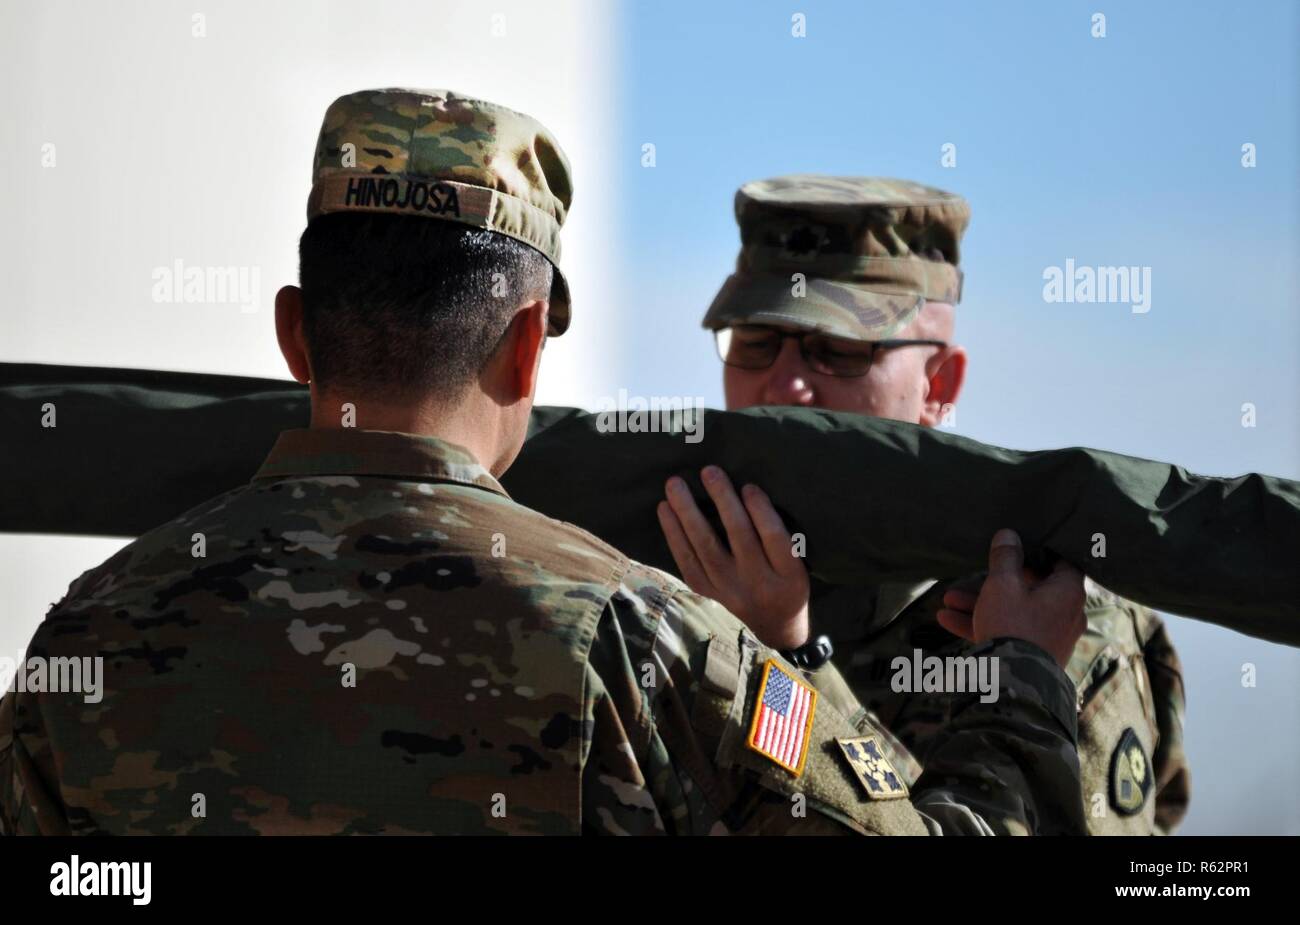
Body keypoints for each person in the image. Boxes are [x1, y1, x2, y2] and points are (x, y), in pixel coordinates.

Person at [0, 91, 1089, 835]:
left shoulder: (87, 632)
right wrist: (1024, 683)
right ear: (527, 342)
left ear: (294, 335)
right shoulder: (639, 631)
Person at [657, 175, 1189, 834]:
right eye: (755, 343)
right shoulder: (672, 575)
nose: (786, 385)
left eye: (840, 351)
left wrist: (788, 661)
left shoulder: (1051, 617)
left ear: (939, 384)